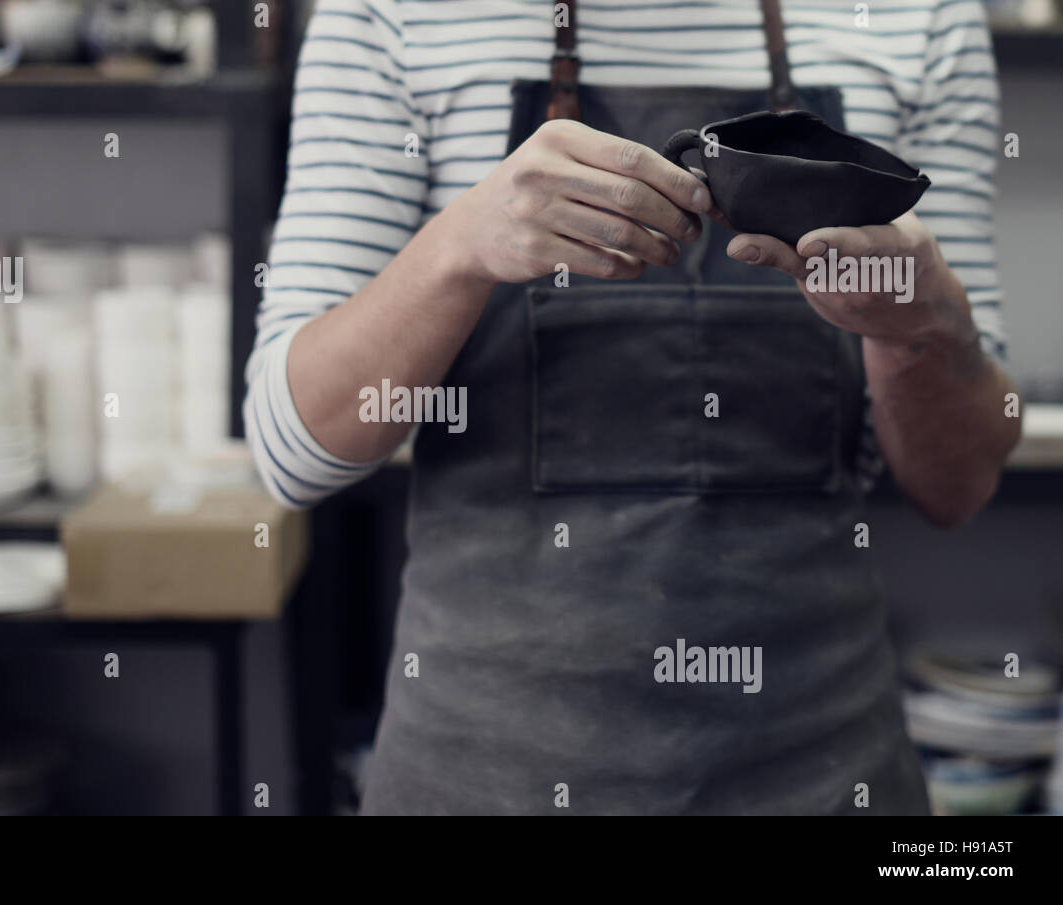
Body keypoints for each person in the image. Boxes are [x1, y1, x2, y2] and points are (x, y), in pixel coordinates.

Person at [245, 0, 1021, 814]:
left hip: (820, 769)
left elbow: (957, 484)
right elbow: (293, 446)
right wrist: (459, 248)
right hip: (485, 771)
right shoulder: (392, 13)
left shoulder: (920, 17)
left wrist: (926, 328)